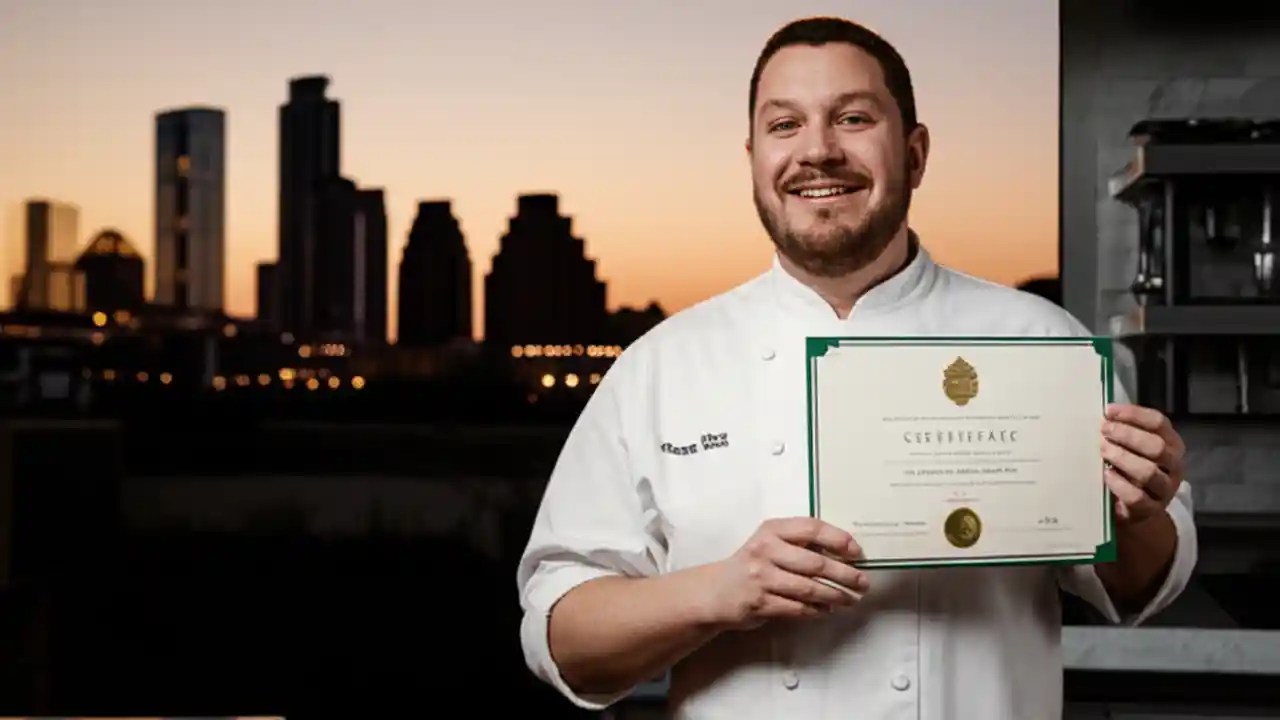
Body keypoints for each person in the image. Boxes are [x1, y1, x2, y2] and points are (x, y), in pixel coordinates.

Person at [515, 16, 1197, 720]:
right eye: (785, 125)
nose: (818, 151)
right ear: (753, 159)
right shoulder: (662, 366)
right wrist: (716, 591)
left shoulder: (1037, 341)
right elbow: (561, 636)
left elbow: (1140, 587)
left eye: (853, 118)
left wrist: (1138, 509)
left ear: (915, 154)